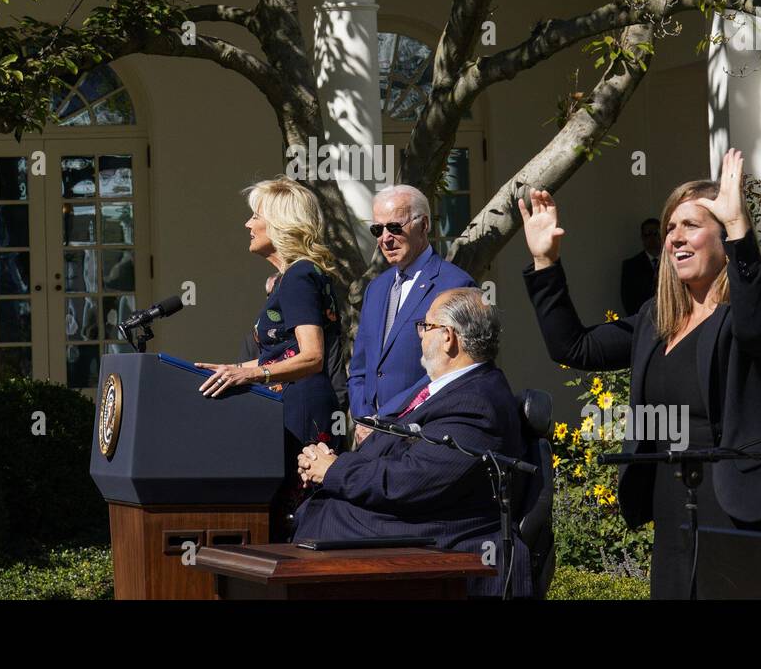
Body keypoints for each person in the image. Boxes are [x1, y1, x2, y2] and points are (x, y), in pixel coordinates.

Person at [519, 149, 761, 599]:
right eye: (669, 229)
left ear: (724, 237)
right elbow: (573, 346)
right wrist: (546, 261)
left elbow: (757, 334)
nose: (675, 238)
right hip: (673, 499)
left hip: (741, 503)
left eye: (692, 226)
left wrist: (740, 232)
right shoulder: (654, 321)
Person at [293, 288, 532, 598]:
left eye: (425, 326)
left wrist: (334, 470)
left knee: (324, 519)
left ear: (448, 337)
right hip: (408, 516)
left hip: (437, 536)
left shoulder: (477, 403)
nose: (420, 335)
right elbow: (396, 451)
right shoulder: (451, 388)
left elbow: (410, 479)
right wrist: (329, 462)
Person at [195, 176, 343, 539]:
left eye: (254, 216)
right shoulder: (295, 276)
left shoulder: (298, 276)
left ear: (279, 223)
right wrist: (232, 370)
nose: (247, 224)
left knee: (298, 515)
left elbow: (311, 356)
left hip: (302, 406)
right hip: (297, 401)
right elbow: (283, 352)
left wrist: (251, 376)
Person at [348, 185, 474, 442]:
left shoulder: (455, 285)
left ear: (424, 225)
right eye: (377, 230)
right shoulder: (376, 288)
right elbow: (361, 368)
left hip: (421, 433)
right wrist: (363, 420)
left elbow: (453, 371)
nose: (385, 238)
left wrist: (390, 422)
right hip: (371, 437)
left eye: (395, 227)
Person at [620, 217, 662, 317]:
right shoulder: (631, 266)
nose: (652, 238)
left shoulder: (674, 260)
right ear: (642, 238)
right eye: (647, 234)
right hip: (643, 320)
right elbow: (627, 300)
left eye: (655, 233)